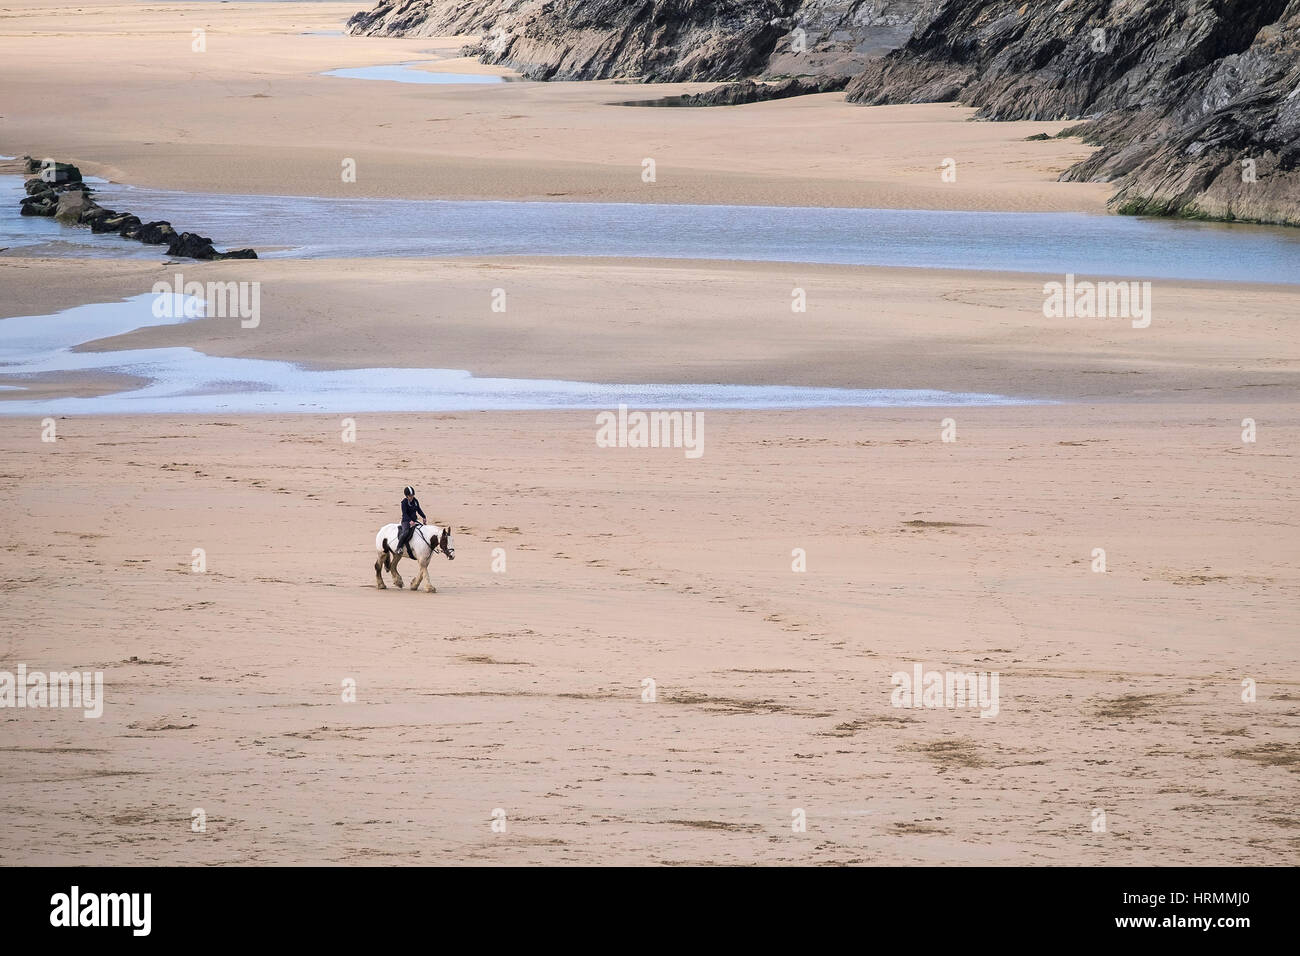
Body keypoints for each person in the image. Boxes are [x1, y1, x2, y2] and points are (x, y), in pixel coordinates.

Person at [395, 486, 426, 559]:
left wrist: (424, 517)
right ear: (406, 496)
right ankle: (399, 547)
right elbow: (404, 514)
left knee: (422, 529)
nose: (411, 497)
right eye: (410, 496)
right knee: (406, 532)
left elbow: (418, 510)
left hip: (414, 520)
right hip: (406, 521)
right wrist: (410, 521)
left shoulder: (415, 501)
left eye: (412, 495)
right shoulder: (404, 502)